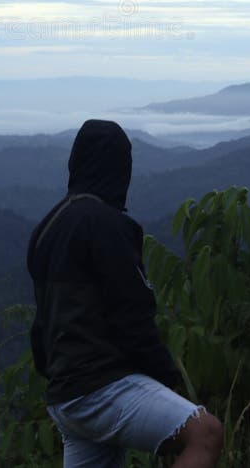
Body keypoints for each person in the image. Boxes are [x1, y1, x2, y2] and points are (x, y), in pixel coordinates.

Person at [27, 118, 223, 467]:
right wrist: (167, 381)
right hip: (101, 387)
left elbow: (41, 326)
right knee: (204, 433)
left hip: (65, 397)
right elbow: (133, 315)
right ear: (121, 169)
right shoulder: (105, 224)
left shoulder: (46, 229)